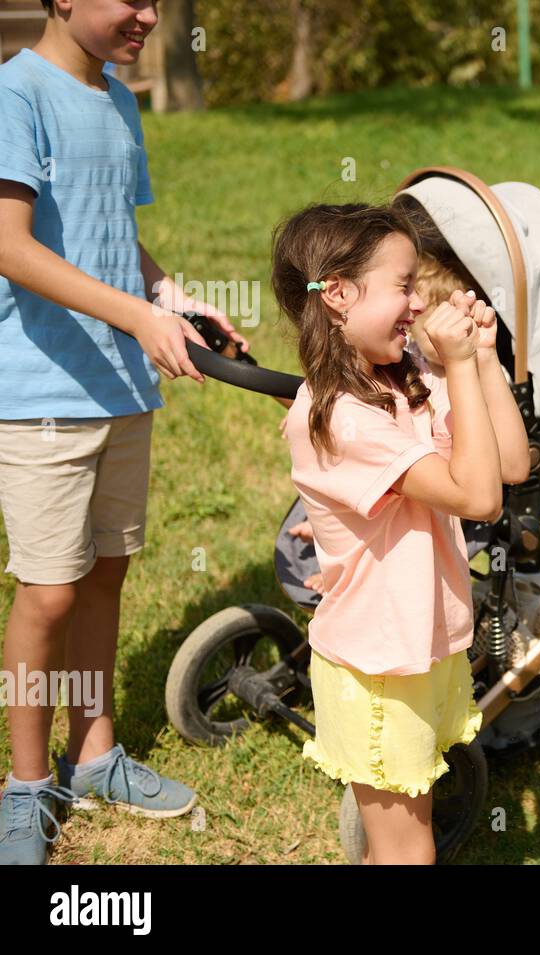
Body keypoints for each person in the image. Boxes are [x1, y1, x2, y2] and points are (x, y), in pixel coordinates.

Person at [0, 0, 247, 865]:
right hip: (42, 394)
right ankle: (27, 783)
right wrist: (135, 315)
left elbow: (118, 238)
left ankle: (94, 750)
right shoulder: (15, 95)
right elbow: (12, 247)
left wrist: (171, 299)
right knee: (49, 591)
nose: (149, 14)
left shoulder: (119, 99)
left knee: (106, 571)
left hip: (120, 387)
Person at [274, 202, 526, 864]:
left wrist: (483, 359)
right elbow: (479, 496)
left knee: (399, 841)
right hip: (378, 667)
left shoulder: (396, 382)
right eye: (404, 285)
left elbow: (510, 463)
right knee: (405, 850)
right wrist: (460, 370)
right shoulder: (341, 420)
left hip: (420, 648)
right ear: (337, 295)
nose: (417, 302)